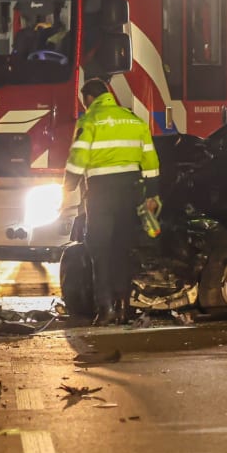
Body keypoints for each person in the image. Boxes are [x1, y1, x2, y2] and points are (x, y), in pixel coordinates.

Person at [64, 78, 160, 326]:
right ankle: (124, 307)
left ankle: (106, 308)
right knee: (122, 248)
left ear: (88, 100)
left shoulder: (89, 120)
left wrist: (67, 188)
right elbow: (150, 161)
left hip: (101, 192)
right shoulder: (133, 120)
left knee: (100, 250)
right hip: (130, 191)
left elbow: (78, 159)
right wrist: (152, 195)